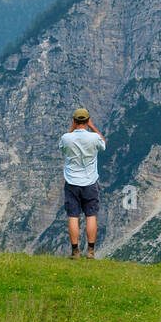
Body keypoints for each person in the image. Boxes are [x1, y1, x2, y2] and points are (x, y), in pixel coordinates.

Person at [60, 107, 105, 259]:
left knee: (73, 216)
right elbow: (103, 144)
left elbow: (63, 148)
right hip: (90, 182)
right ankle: (90, 251)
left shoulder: (66, 137)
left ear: (74, 121)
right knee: (91, 215)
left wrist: (71, 129)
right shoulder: (94, 138)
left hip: (72, 182)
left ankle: (75, 251)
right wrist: (92, 127)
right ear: (87, 121)